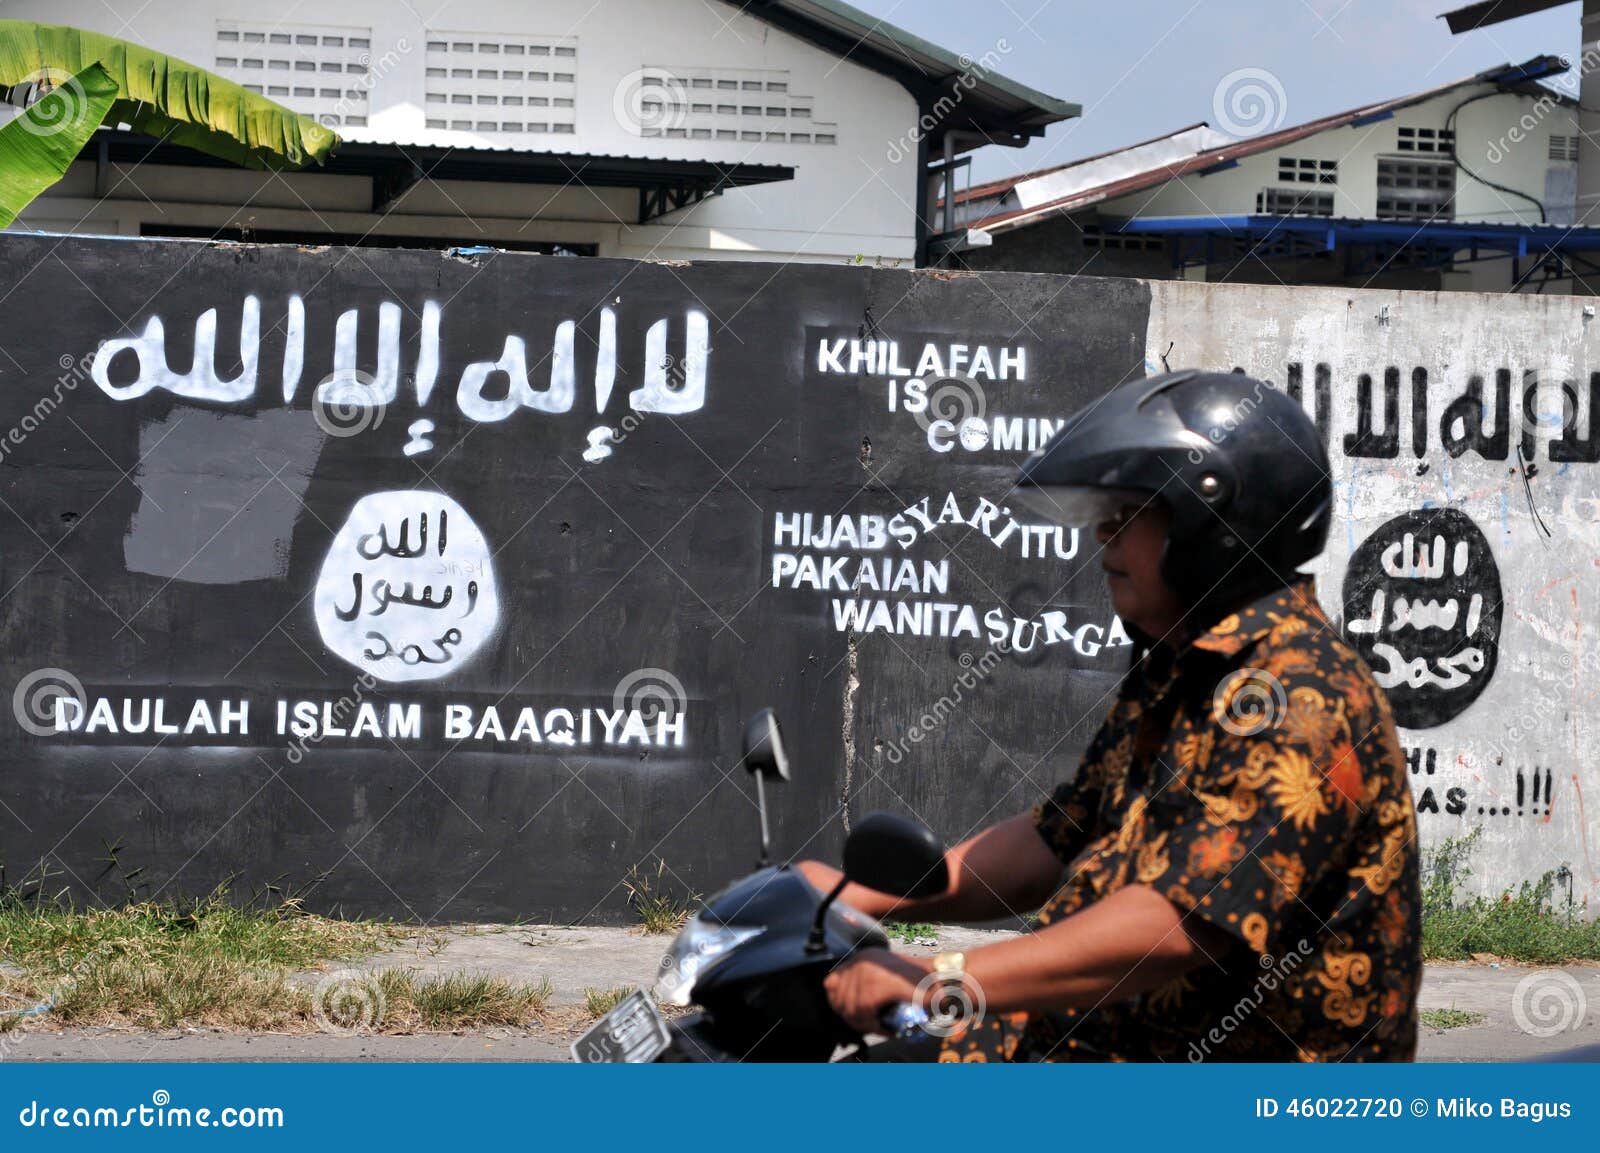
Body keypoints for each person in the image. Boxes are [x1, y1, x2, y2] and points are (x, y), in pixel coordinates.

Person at [802, 370, 1421, 1062]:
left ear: (1212, 526)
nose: (1103, 533)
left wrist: (940, 978)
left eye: (1131, 511)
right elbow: (1052, 839)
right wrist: (858, 893)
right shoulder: (1181, 666)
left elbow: (1176, 923)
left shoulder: (1301, 694)